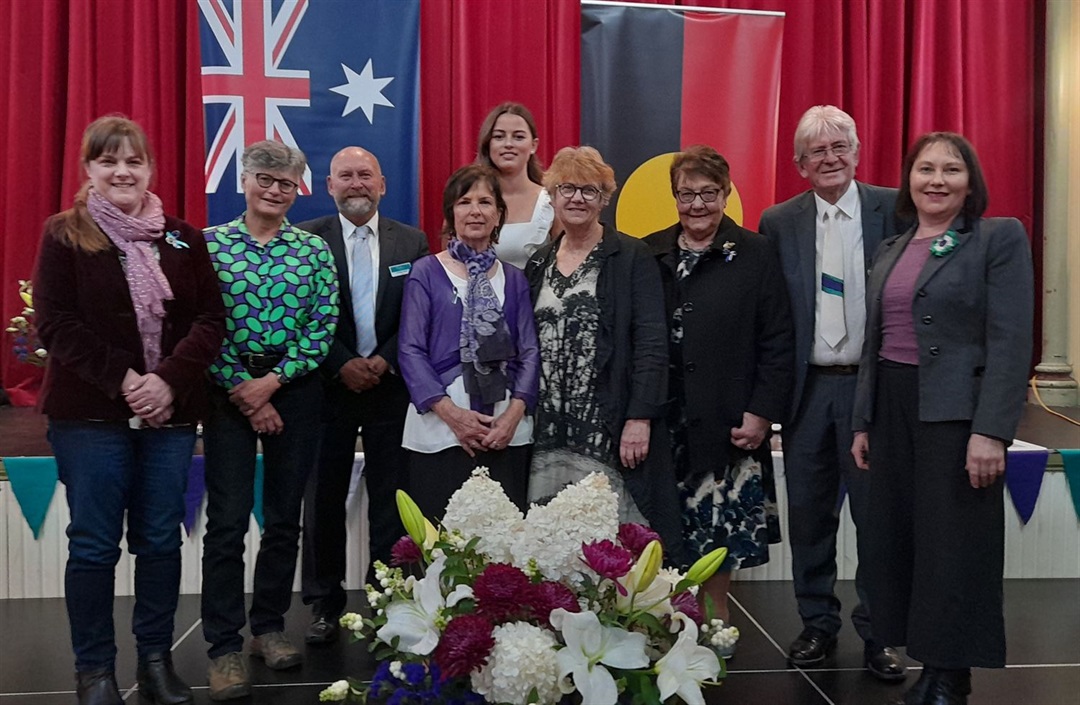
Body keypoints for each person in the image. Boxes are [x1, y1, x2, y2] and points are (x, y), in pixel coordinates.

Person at [33, 115, 225, 705]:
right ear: (89, 168)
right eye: (109, 160)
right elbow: (56, 324)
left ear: (150, 170)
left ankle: (155, 660)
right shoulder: (65, 234)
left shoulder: (183, 238)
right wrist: (126, 380)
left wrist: (166, 380)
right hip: (89, 416)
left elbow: (210, 321)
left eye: (134, 161)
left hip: (168, 416)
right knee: (93, 543)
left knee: (161, 541)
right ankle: (94, 672)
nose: (122, 171)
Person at [851, 133, 1033, 705]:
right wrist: (864, 421)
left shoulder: (996, 238)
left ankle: (951, 672)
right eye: (925, 168)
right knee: (902, 541)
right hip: (893, 409)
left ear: (970, 180)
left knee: (954, 546)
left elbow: (1010, 341)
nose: (936, 180)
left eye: (951, 170)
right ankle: (928, 661)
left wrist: (991, 431)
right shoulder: (893, 247)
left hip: (956, 416)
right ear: (908, 180)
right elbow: (874, 341)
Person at [758, 105, 906, 679]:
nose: (830, 158)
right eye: (817, 151)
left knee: (878, 518)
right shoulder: (779, 221)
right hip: (807, 392)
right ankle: (817, 623)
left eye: (839, 146)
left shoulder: (893, 208)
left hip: (874, 392)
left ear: (857, 151)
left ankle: (880, 632)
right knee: (811, 517)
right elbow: (772, 318)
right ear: (799, 164)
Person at [200, 140, 338, 699]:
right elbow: (201, 324)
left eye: (287, 183)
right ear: (245, 179)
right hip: (227, 393)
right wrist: (245, 391)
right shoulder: (209, 248)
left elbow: (322, 324)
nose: (276, 190)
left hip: (295, 391)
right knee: (227, 522)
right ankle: (223, 645)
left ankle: (270, 627)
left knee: (284, 518)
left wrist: (273, 386)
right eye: (266, 179)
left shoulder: (312, 252)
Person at [644, 145, 793, 623]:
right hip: (664, 425)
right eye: (686, 194)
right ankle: (661, 628)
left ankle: (712, 629)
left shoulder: (757, 253)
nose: (697, 205)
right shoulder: (650, 252)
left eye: (708, 193)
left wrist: (762, 412)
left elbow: (778, 339)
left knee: (717, 538)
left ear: (726, 194)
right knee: (663, 533)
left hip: (729, 423)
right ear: (673, 198)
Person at [525, 146, 686, 566]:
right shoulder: (538, 262)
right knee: (553, 541)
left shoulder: (631, 257)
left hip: (607, 426)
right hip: (547, 429)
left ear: (605, 198)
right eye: (567, 189)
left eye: (589, 190)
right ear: (552, 196)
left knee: (611, 543)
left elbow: (653, 342)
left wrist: (640, 417)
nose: (577, 198)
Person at [297, 146, 429, 644]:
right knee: (324, 499)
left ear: (383, 184)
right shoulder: (307, 240)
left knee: (391, 503)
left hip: (391, 388)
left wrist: (386, 358)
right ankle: (323, 605)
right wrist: (341, 362)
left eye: (365, 175)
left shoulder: (411, 241)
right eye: (346, 176)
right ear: (329, 185)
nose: (356, 183)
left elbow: (419, 315)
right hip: (327, 389)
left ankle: (388, 600)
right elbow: (303, 313)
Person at [398, 164, 539, 518]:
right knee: (441, 541)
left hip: (505, 427)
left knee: (505, 548)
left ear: (498, 215)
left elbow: (529, 352)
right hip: (440, 426)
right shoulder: (425, 272)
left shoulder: (515, 279)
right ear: (451, 214)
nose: (475, 210)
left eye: (485, 202)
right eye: (464, 202)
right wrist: (453, 416)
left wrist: (513, 416)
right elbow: (410, 350)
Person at [477, 102, 557, 269]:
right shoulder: (467, 202)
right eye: (499, 136)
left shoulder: (552, 203)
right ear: (488, 144)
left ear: (533, 145)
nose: (508, 144)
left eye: (518, 137)